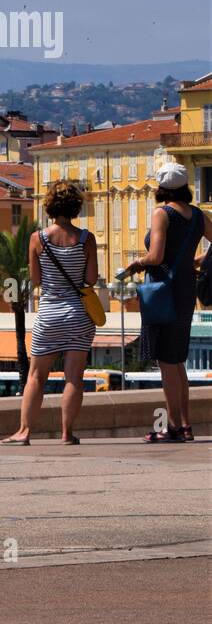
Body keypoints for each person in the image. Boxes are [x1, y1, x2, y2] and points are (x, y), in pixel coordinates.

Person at [3, 181, 97, 446]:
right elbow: (90, 279)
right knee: (74, 377)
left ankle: (24, 431)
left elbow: (35, 279)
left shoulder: (38, 238)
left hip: (50, 313)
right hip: (79, 315)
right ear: (76, 206)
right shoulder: (86, 239)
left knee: (36, 376)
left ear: (49, 206)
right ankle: (67, 433)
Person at [121, 163, 207, 442]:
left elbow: (156, 256)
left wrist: (137, 262)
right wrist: (195, 262)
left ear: (161, 189)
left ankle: (172, 427)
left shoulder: (163, 213)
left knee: (167, 362)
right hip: (185, 290)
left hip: (162, 291)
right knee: (177, 360)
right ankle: (185, 424)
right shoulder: (197, 215)